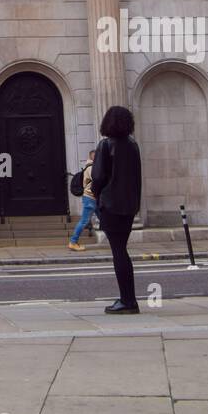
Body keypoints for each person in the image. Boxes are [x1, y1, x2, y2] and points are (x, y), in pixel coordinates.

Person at [91, 107, 142, 313]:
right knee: (122, 250)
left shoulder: (106, 145)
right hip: (129, 205)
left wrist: (96, 193)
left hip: (111, 204)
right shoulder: (133, 145)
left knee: (118, 252)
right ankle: (128, 299)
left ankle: (127, 301)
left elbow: (98, 177)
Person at [68, 149, 98, 252]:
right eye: (97, 156)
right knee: (84, 221)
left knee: (105, 220)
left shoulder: (92, 167)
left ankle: (116, 242)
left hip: (94, 198)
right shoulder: (92, 168)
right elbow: (97, 182)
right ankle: (73, 242)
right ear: (92, 157)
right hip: (91, 198)